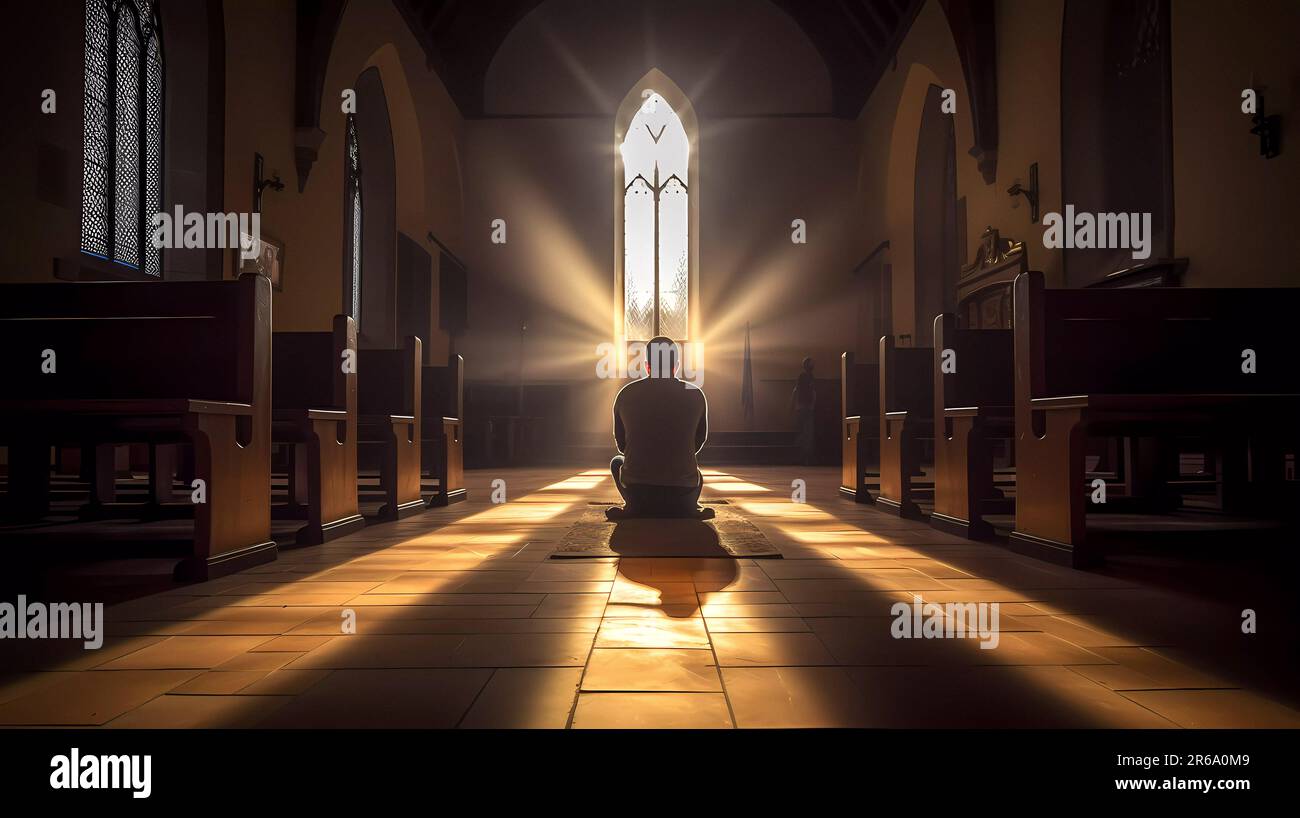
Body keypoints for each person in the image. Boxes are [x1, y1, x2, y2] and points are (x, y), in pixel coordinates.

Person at [608, 336, 711, 520]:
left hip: (639, 494)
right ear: (676, 365)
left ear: (647, 365)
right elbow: (698, 441)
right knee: (696, 472)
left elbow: (622, 445)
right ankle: (690, 508)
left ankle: (632, 508)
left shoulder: (626, 393)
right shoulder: (695, 393)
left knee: (617, 462)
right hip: (682, 494)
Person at [791, 357, 816, 466]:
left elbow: (811, 392)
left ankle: (804, 457)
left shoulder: (809, 377)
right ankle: (802, 457)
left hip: (804, 407)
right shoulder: (804, 376)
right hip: (803, 407)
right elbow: (798, 391)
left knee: (806, 433)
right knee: (805, 433)